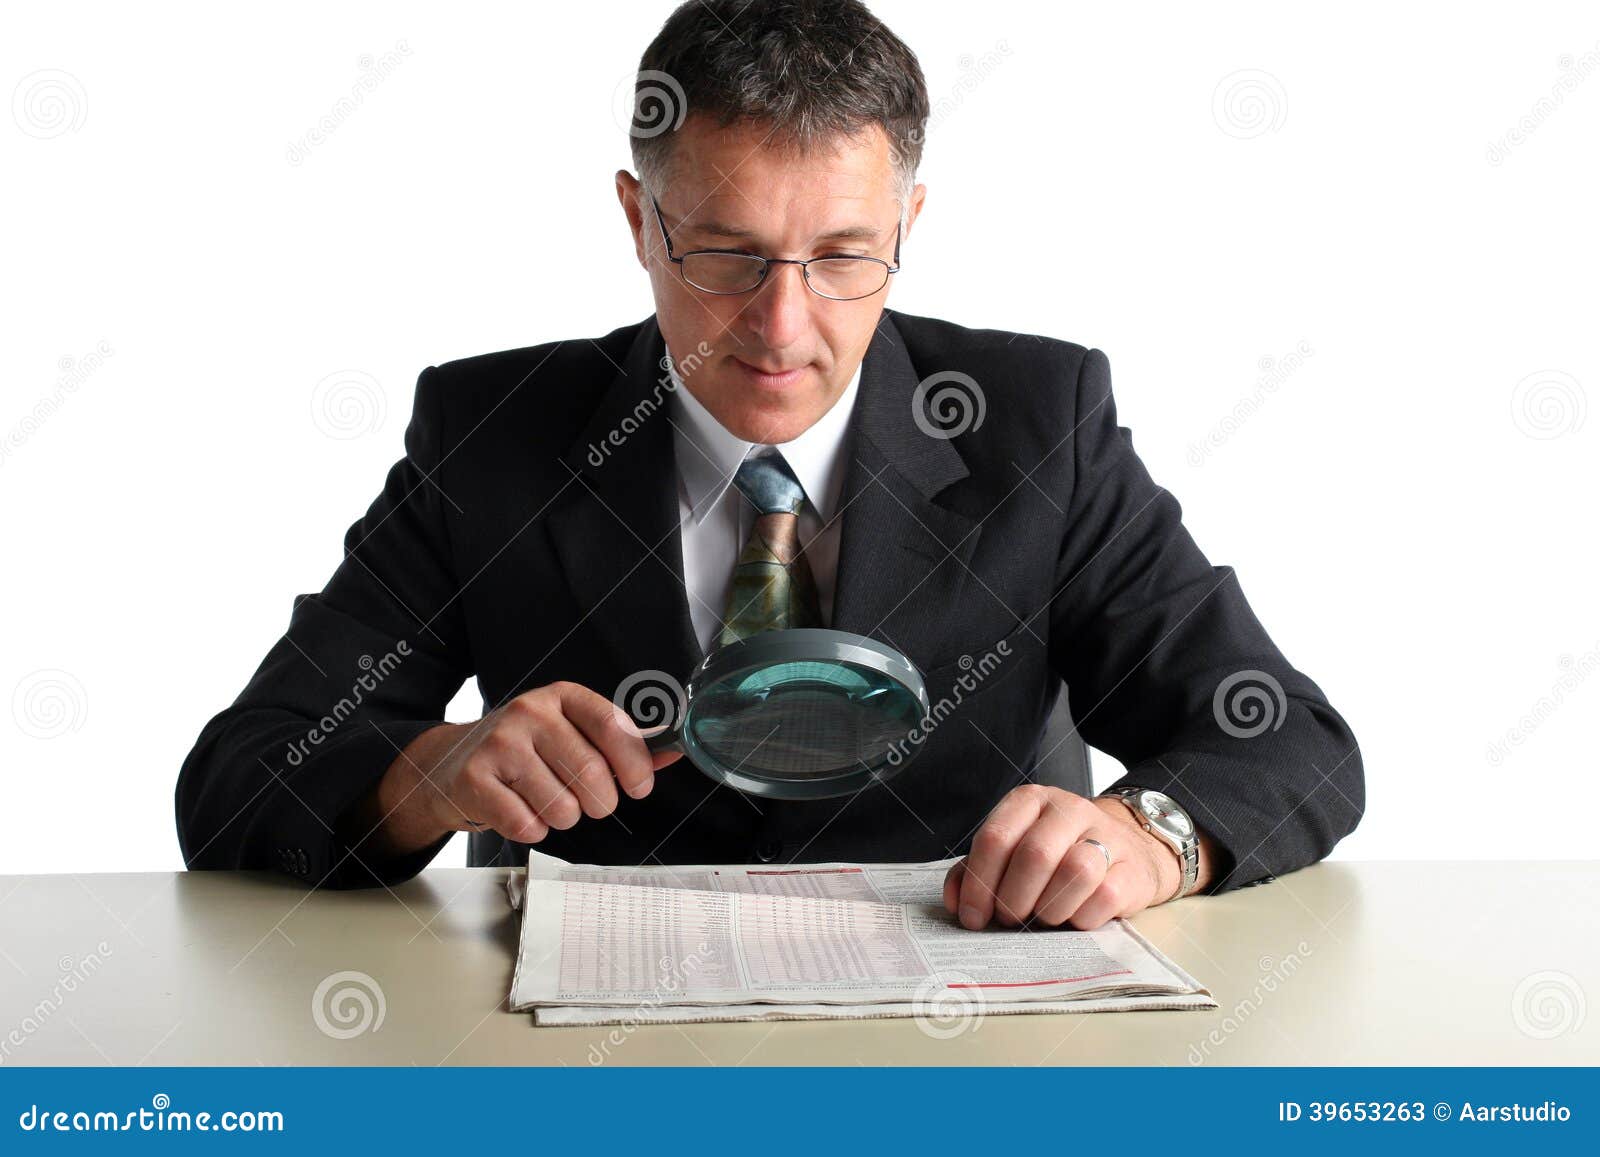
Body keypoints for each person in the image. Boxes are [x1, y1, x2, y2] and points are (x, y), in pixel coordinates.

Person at [176, 0, 1363, 931]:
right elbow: (239, 780)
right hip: (582, 1063)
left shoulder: (1036, 420)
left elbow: (1282, 734)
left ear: (909, 226)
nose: (782, 325)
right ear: (640, 221)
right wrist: (429, 773)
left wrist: (1149, 835)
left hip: (968, 1037)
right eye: (725, 255)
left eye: (844, 255)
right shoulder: (494, 433)